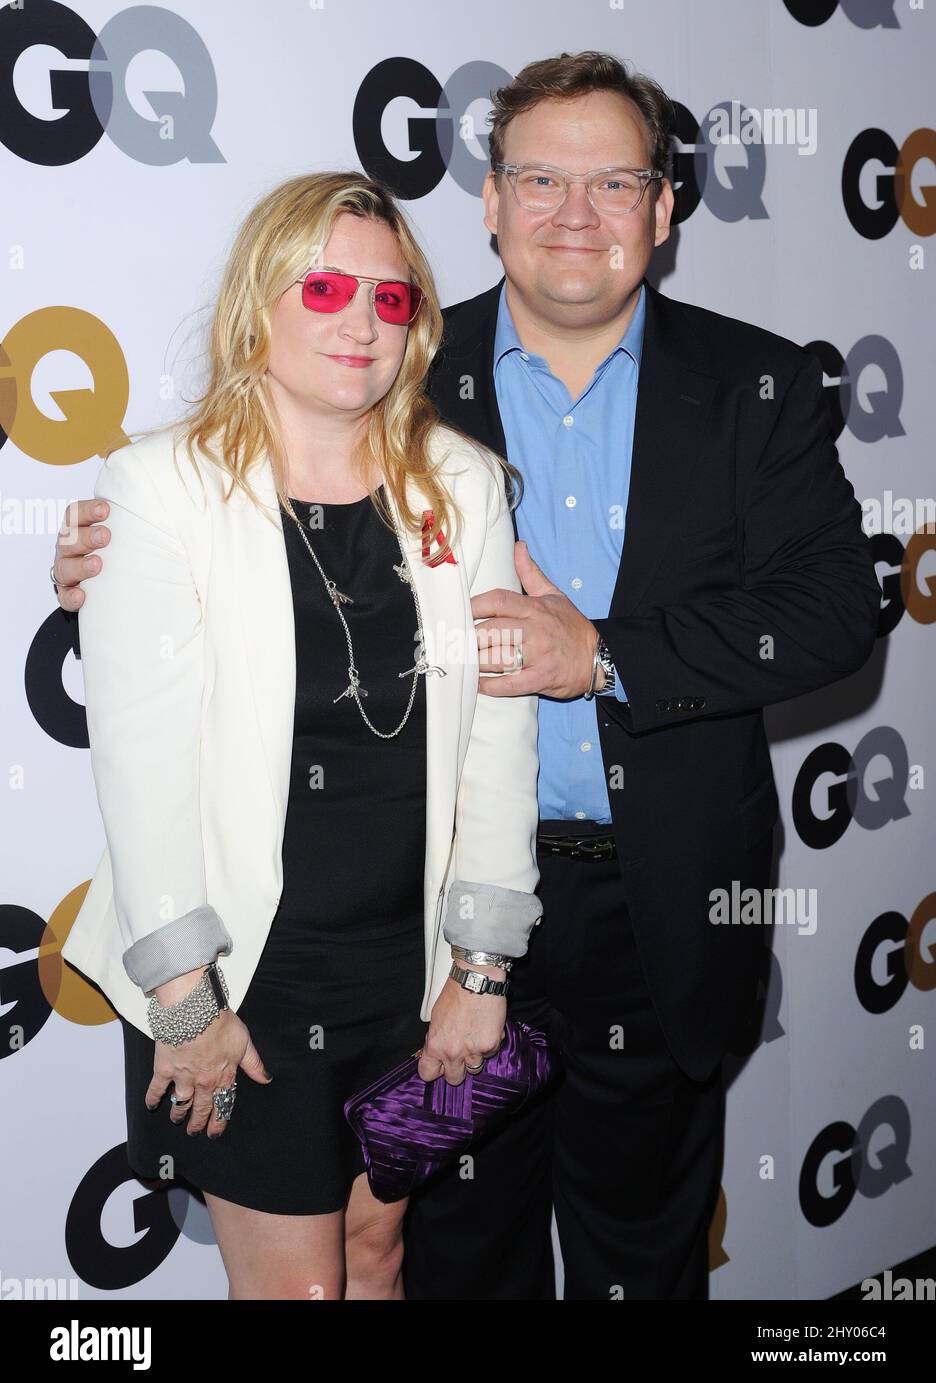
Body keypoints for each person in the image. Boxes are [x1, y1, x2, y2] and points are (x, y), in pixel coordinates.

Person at [55, 51, 881, 1301]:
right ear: (488, 201)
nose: (574, 212)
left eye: (616, 183)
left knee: (640, 1259)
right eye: (540, 177)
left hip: (643, 920)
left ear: (665, 209)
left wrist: (600, 653)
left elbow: (836, 612)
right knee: (439, 1259)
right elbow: (230, 536)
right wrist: (108, 570)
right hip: (423, 935)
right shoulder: (393, 374)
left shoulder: (754, 389)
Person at [56, 170, 543, 1300]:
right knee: (297, 1290)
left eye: (391, 298)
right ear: (258, 301)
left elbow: (497, 736)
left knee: (376, 1254)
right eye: (324, 286)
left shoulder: (462, 486)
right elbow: (140, 765)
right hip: (237, 972)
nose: (361, 321)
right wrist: (187, 1003)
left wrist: (479, 965)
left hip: (413, 960)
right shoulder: (158, 487)